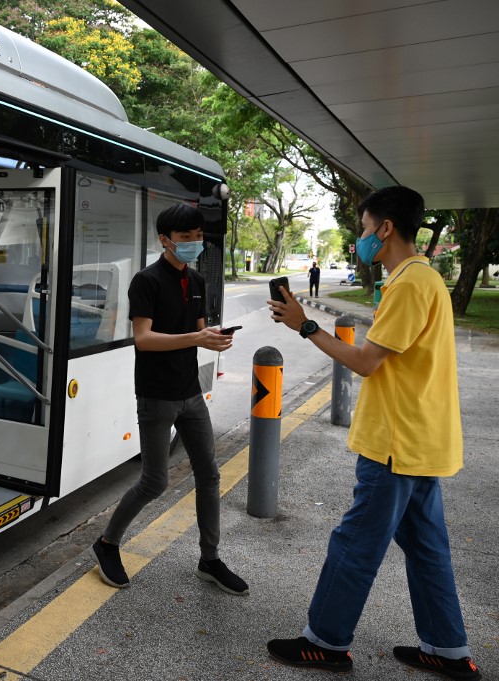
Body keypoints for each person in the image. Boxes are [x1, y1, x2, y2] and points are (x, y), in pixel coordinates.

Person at [266, 186, 481, 680]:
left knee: (356, 542)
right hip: (421, 439)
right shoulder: (422, 278)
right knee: (427, 549)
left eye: (363, 230)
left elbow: (366, 362)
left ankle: (326, 642)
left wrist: (305, 326)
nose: (360, 239)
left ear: (385, 228)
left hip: (396, 443)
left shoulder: (409, 283)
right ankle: (448, 651)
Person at [91, 203, 248, 596]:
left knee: (209, 475)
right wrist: (197, 338)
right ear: (165, 240)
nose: (195, 242)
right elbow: (143, 339)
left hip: (190, 392)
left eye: (198, 236)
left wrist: (213, 335)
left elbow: (196, 329)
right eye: (186, 237)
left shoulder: (196, 279)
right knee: (154, 481)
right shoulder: (146, 281)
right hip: (157, 395)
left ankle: (209, 559)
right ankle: (107, 543)